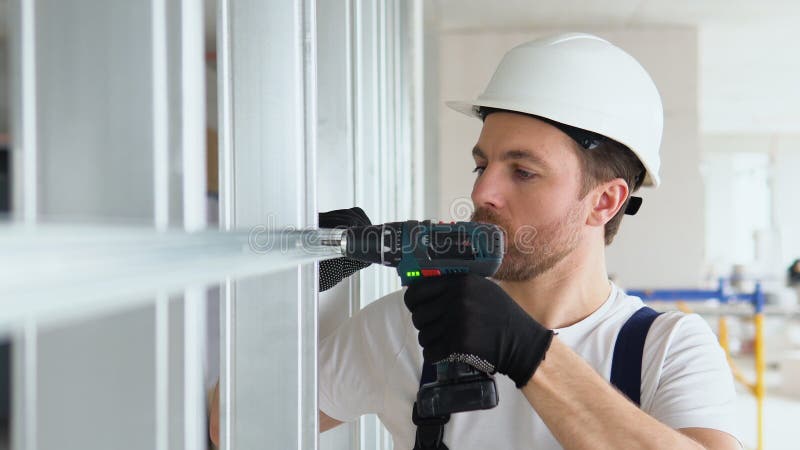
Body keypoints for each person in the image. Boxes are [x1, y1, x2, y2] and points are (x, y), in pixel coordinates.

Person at [210, 32, 740, 449]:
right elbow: (233, 427)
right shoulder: (408, 324)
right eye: (482, 163)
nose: (483, 191)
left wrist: (528, 353)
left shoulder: (666, 350)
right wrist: (283, 290)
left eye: (523, 171)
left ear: (604, 201)